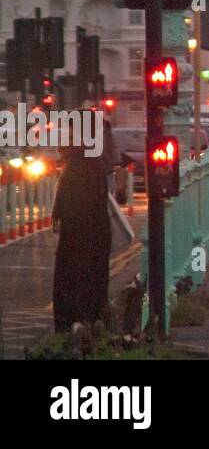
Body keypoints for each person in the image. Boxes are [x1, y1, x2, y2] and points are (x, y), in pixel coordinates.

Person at [52, 136, 112, 332]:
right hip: (82, 237)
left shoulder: (84, 164)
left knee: (78, 288)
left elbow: (81, 206)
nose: (60, 141)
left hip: (82, 239)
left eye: (68, 135)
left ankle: (77, 329)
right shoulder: (83, 161)